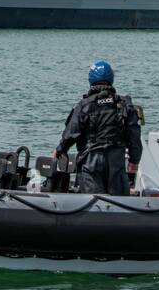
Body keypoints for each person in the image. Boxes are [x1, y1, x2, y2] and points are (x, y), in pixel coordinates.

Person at [54, 61, 142, 195]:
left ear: (91, 79)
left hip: (91, 161)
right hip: (116, 161)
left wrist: (60, 150)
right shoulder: (124, 105)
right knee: (120, 203)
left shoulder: (84, 105)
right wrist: (134, 161)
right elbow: (134, 136)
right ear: (111, 79)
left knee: (92, 203)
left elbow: (71, 132)